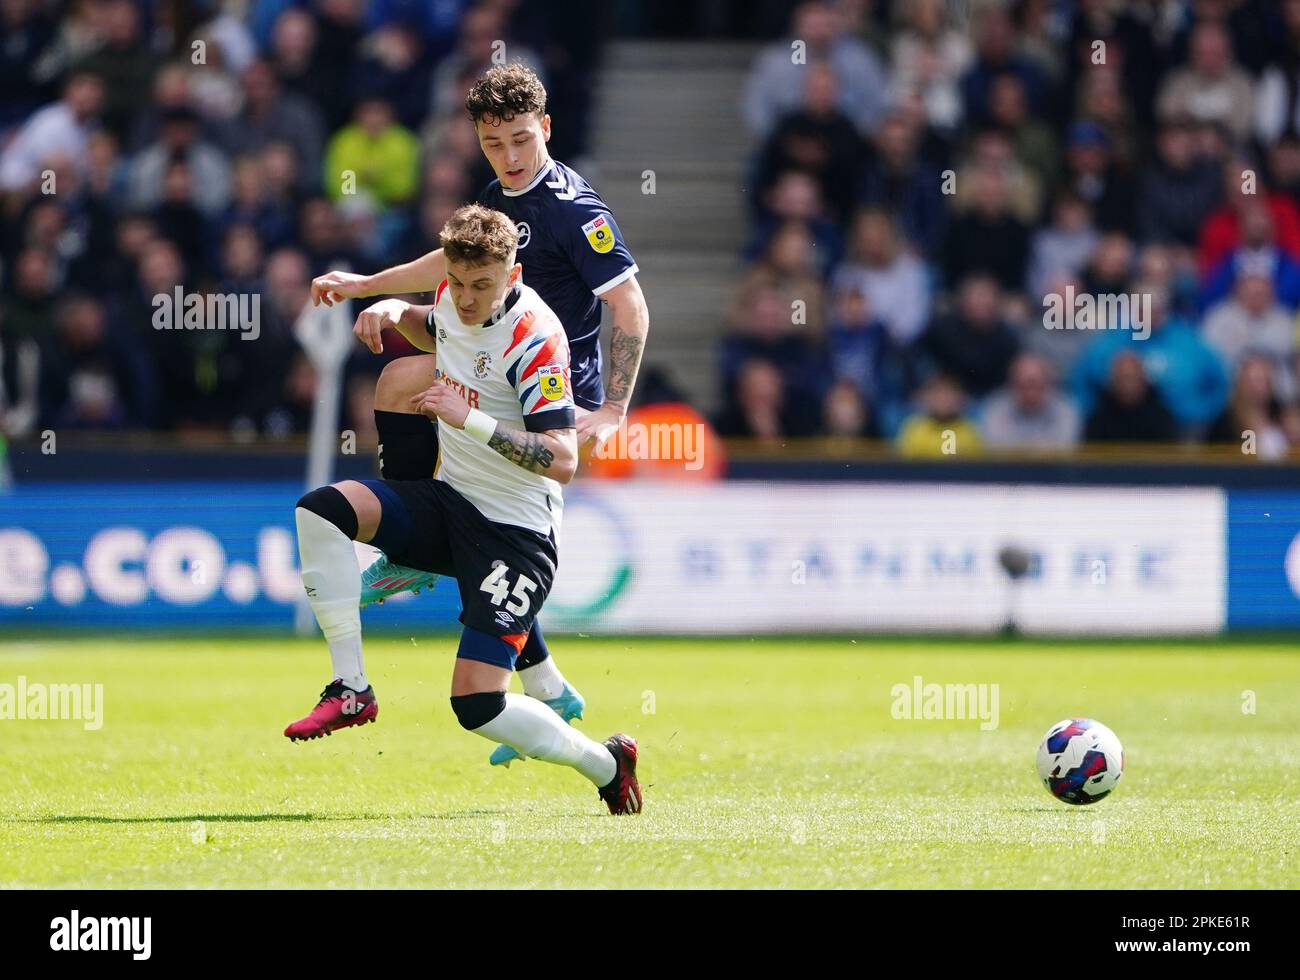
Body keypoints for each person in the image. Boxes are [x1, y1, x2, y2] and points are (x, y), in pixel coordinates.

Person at [309, 63, 651, 769]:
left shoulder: (575, 211)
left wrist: (612, 410)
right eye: (495, 144)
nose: (512, 156)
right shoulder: (502, 197)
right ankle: (546, 686)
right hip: (493, 358)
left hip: (546, 390)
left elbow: (630, 305)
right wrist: (367, 286)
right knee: (403, 383)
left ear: (547, 129)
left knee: (424, 411)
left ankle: (421, 566)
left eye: (523, 139)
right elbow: (455, 257)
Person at [283, 205, 642, 815]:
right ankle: (352, 688)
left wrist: (466, 418)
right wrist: (397, 311)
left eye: (484, 285)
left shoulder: (535, 339)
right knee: (321, 510)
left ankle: (607, 764)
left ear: (514, 273)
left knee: (476, 708)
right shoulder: (453, 296)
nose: (470, 298)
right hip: (449, 501)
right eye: (460, 283)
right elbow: (445, 329)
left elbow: (561, 459)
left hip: (515, 536)